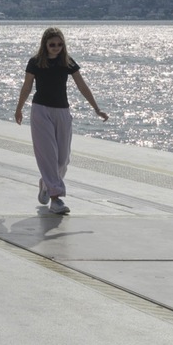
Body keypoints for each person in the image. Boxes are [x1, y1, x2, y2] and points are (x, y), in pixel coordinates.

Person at [12, 26, 107, 215]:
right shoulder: (35, 62)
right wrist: (19, 109)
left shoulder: (68, 62)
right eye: (52, 44)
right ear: (45, 45)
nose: (56, 47)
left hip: (62, 111)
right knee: (48, 154)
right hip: (41, 111)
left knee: (63, 158)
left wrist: (96, 108)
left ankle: (47, 183)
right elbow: (27, 86)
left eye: (59, 44)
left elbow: (82, 86)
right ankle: (56, 198)